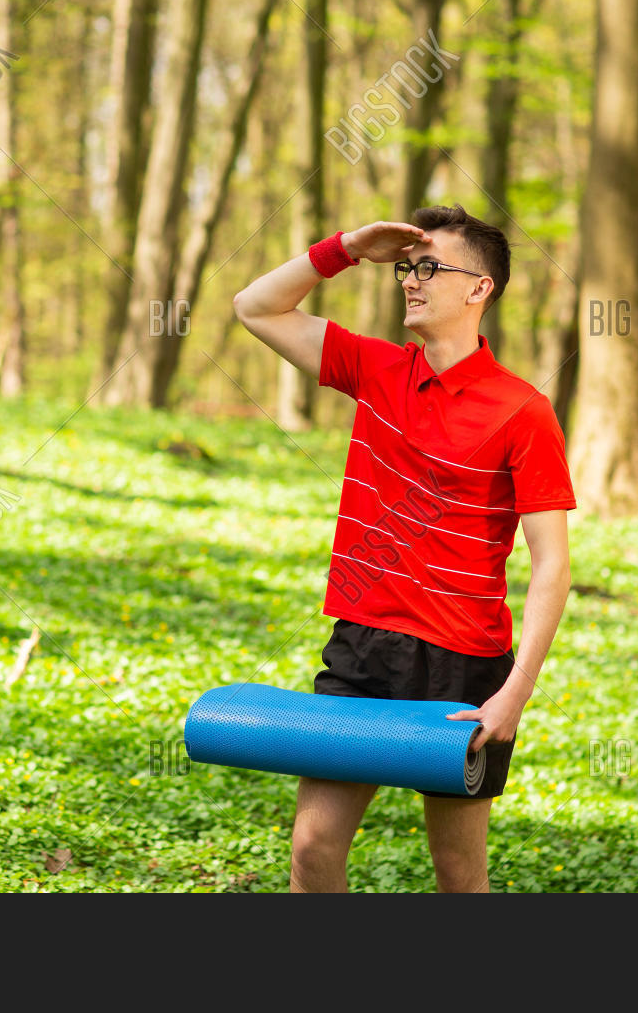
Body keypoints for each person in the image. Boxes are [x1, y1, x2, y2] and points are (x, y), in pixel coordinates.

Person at [231, 204, 575, 893]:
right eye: (405, 270)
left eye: (429, 268)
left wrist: (515, 694)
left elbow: (553, 564)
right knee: (312, 849)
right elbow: (255, 307)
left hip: (463, 664)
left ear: (479, 288)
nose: (410, 282)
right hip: (362, 648)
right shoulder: (375, 369)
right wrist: (347, 248)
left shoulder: (523, 409)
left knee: (456, 870)